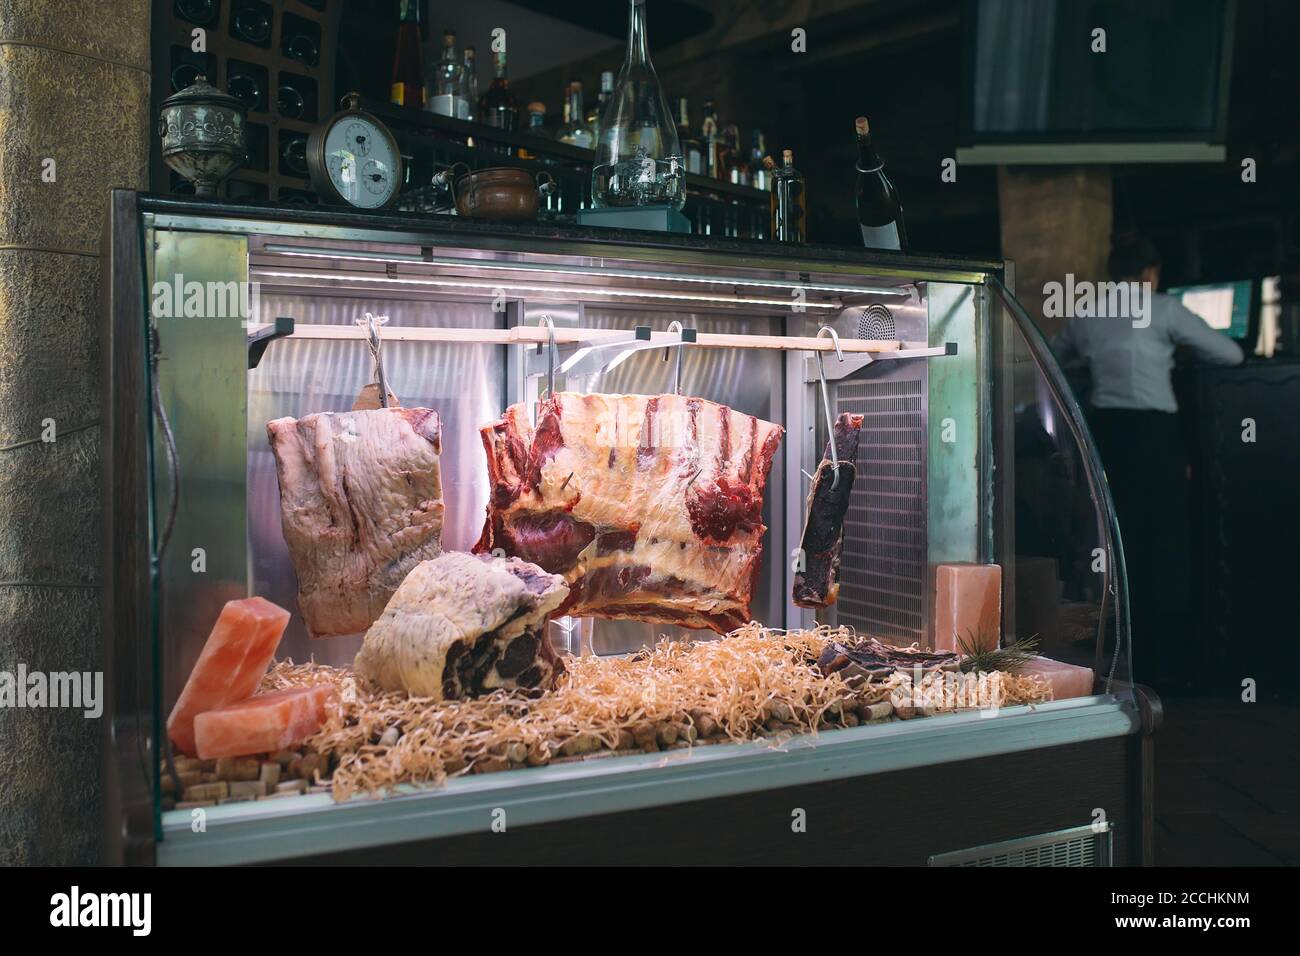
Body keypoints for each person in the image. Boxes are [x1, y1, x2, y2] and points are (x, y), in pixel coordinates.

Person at [1051, 236, 1243, 691]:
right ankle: (1167, 663)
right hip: (1157, 440)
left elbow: (1052, 360)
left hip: (1109, 439)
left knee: (1119, 541)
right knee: (1167, 545)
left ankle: (1122, 656)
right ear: (1152, 273)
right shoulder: (1164, 309)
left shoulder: (1088, 314)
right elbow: (1231, 354)